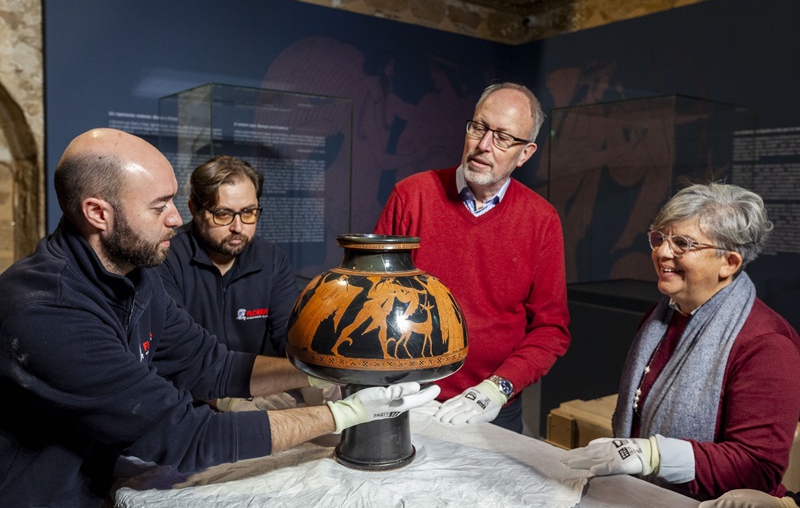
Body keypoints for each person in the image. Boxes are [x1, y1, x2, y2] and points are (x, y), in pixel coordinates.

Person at [0, 128, 440, 507]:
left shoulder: (134, 276)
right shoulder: (45, 310)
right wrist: (343, 414)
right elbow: (185, 435)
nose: (175, 219)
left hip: (99, 482)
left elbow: (212, 365)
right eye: (159, 206)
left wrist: (320, 372)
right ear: (98, 213)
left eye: (172, 200)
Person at [561, 182, 800, 501]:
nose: (662, 252)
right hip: (647, 494)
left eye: (683, 243)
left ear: (728, 262)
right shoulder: (662, 316)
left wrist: (654, 456)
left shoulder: (767, 344)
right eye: (659, 238)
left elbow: (757, 467)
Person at [374, 82, 571, 433]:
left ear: (525, 153)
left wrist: (498, 389)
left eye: (503, 138)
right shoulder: (411, 196)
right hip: (406, 399)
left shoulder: (541, 220)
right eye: (479, 128)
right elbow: (374, 298)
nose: (484, 145)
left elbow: (550, 329)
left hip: (492, 405)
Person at [157, 156, 309, 412]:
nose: (238, 227)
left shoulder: (270, 260)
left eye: (249, 212)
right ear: (194, 209)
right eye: (223, 214)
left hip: (256, 387)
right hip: (187, 402)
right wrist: (223, 399)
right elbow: (174, 353)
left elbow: (291, 338)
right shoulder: (167, 259)